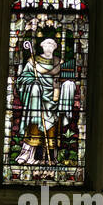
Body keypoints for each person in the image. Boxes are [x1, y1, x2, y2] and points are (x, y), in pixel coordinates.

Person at [12, 36, 76, 167]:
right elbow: (22, 79)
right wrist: (33, 85)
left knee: (52, 130)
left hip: (54, 99)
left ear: (55, 47)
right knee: (36, 127)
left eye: (51, 45)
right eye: (46, 45)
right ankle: (32, 156)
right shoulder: (33, 62)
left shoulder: (59, 62)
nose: (49, 47)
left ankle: (51, 158)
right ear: (42, 46)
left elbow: (66, 77)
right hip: (37, 100)